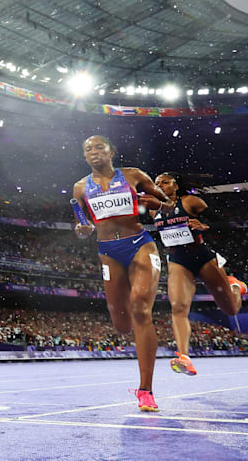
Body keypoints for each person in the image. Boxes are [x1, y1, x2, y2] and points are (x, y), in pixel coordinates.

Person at [71, 135, 172, 412]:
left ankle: (146, 390)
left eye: (99, 147)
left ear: (111, 151)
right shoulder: (81, 187)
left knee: (141, 309)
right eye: (88, 148)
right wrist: (82, 231)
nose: (93, 151)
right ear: (85, 155)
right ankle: (143, 383)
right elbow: (83, 225)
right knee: (122, 324)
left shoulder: (134, 175)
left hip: (140, 244)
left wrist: (159, 205)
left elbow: (167, 204)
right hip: (107, 251)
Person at [151, 172, 247, 376]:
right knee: (178, 307)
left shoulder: (190, 202)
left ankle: (236, 286)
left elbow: (227, 226)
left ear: (175, 186)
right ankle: (184, 358)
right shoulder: (153, 209)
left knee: (230, 309)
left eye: (164, 182)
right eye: (156, 183)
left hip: (202, 258)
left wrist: (206, 226)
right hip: (177, 261)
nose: (159, 185)